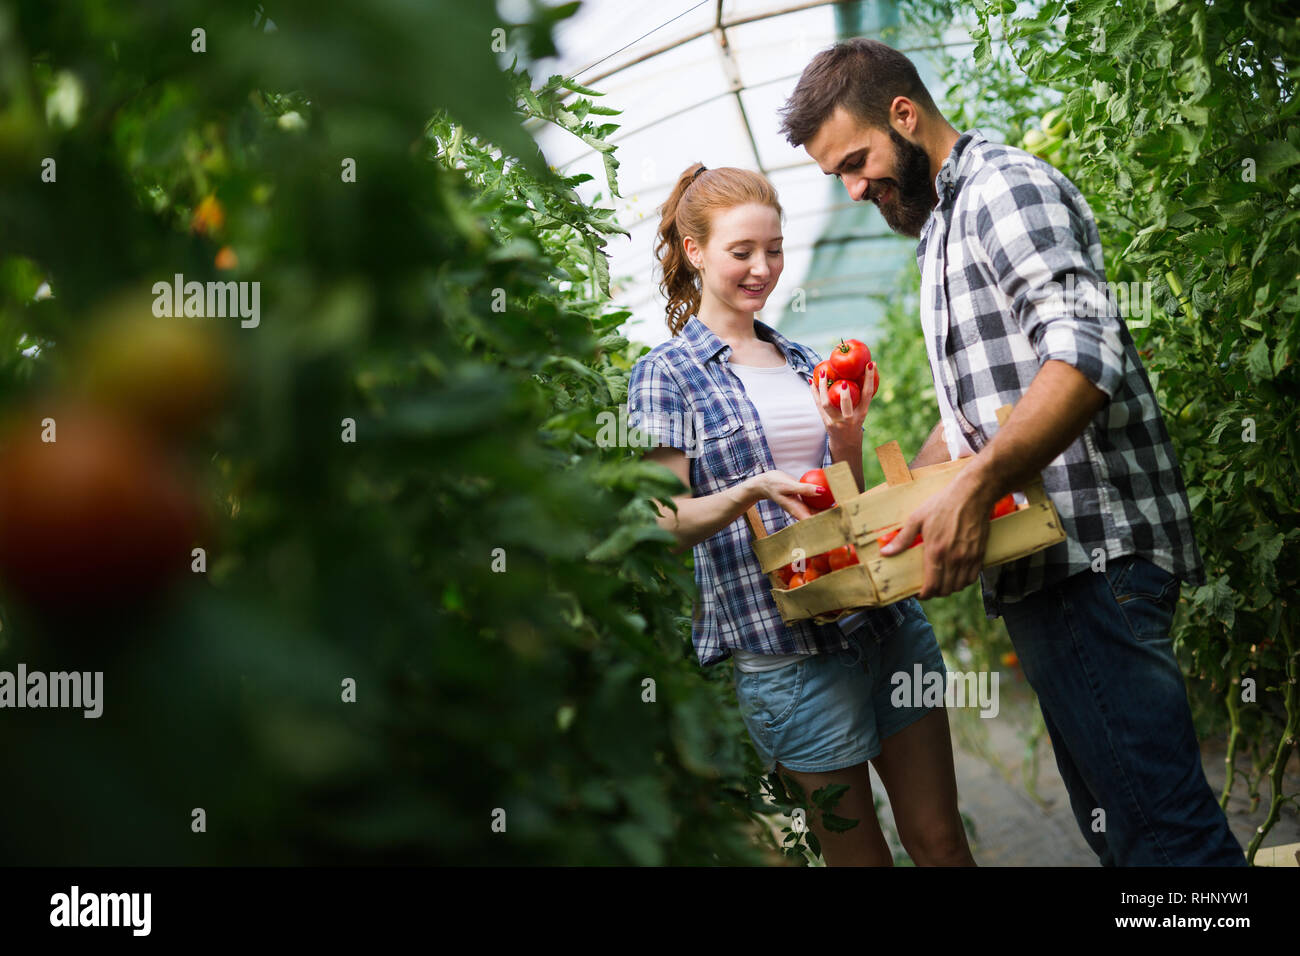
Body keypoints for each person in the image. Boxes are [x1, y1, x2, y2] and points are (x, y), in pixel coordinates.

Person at [779, 37, 1245, 866]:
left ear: (904, 114)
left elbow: (1084, 354)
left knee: (1165, 834)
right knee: (1125, 825)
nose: (854, 189)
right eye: (835, 178)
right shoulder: (943, 233)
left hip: (1092, 559)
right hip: (1046, 573)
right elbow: (975, 422)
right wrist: (885, 508)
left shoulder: (1001, 189)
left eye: (856, 161)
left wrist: (976, 483)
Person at [626, 161, 975, 866]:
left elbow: (836, 489)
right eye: (742, 252)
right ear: (695, 253)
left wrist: (846, 431)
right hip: (787, 658)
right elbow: (659, 521)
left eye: (774, 249)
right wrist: (748, 491)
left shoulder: (806, 358)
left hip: (881, 620)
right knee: (858, 859)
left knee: (940, 840)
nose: (763, 268)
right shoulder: (665, 375)